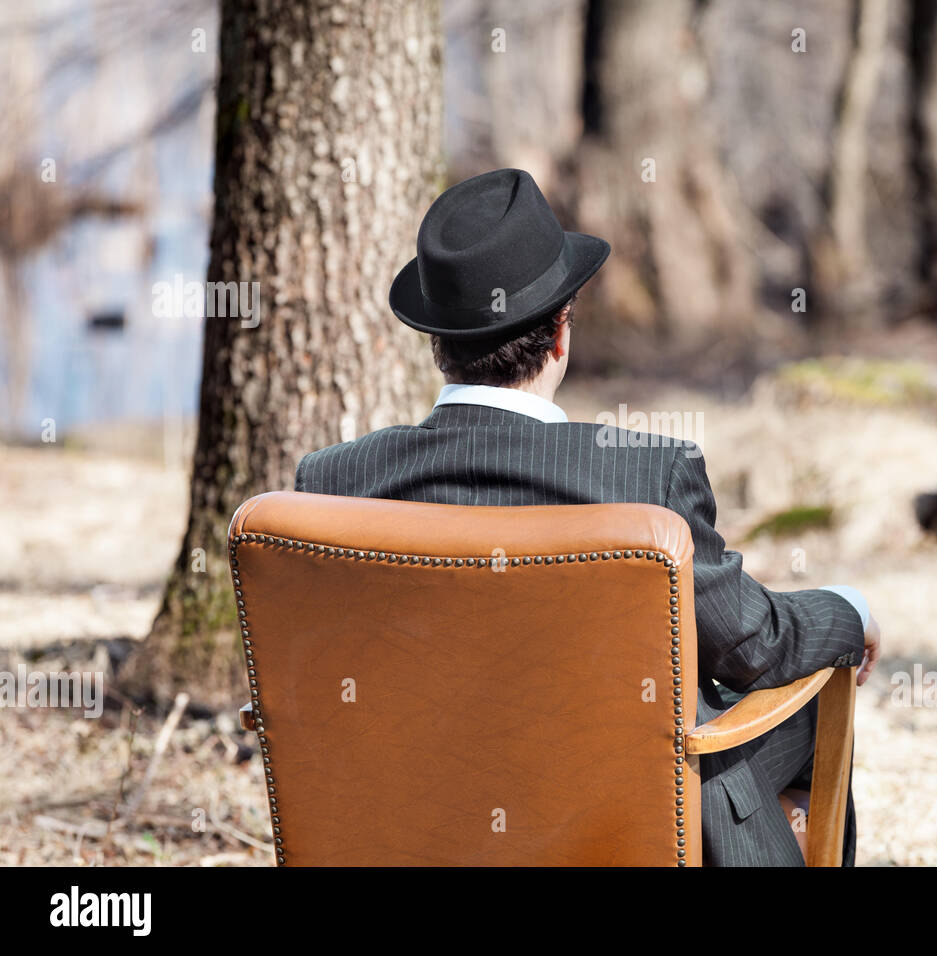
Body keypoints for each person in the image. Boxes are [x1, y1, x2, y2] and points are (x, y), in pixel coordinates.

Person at [295, 168, 882, 865]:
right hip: (612, 824)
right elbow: (757, 649)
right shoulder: (643, 476)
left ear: (437, 343)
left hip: (413, 822)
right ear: (560, 335)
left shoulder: (332, 482)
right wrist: (852, 612)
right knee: (810, 706)